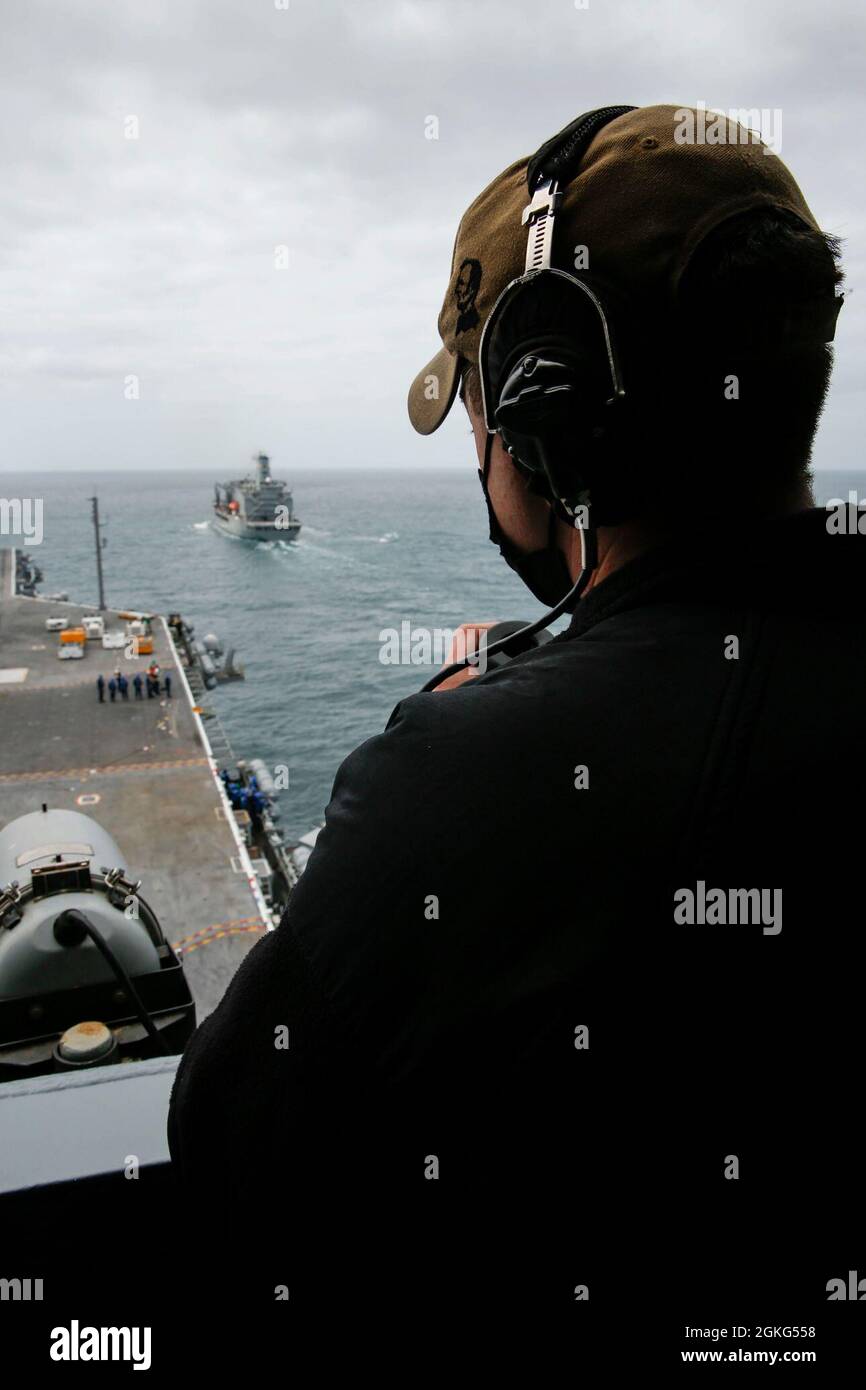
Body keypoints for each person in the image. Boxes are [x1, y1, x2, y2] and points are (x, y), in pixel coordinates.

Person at [168, 106, 863, 1317]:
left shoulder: (457, 784)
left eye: (481, 415)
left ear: (549, 417)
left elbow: (229, 1147)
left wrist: (460, 747)